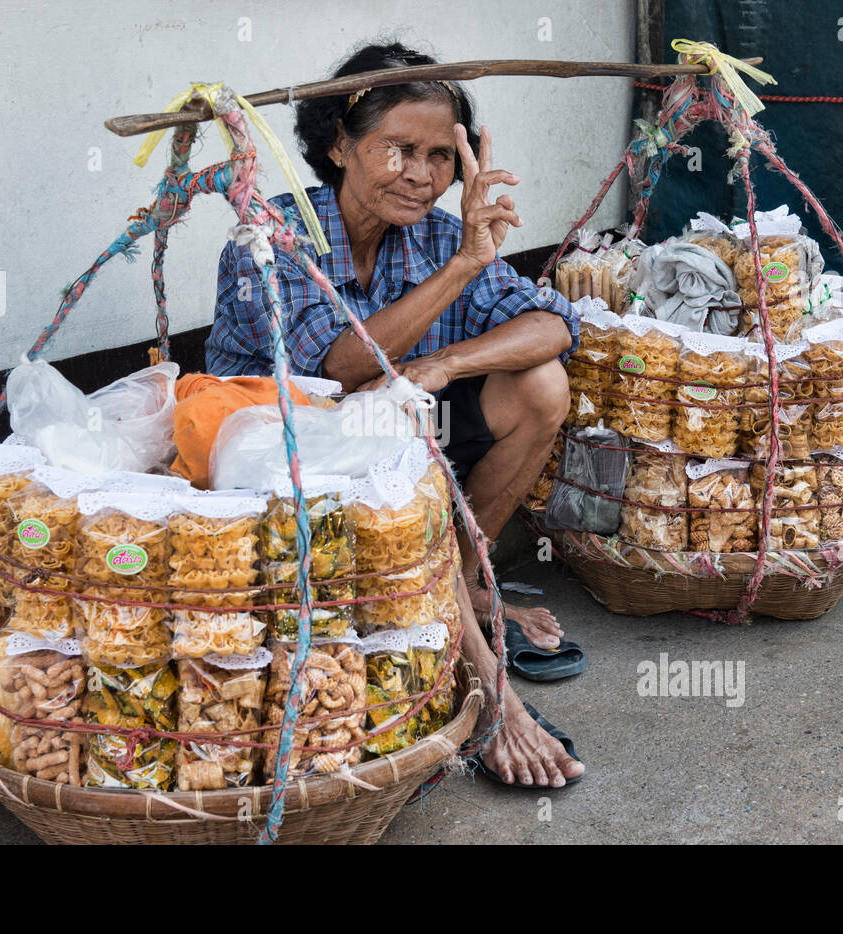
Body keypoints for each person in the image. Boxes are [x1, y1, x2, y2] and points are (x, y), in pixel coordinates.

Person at [207, 42, 584, 787]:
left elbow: (555, 326)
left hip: (392, 437)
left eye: (442, 157)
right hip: (275, 458)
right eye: (399, 150)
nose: (422, 176)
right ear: (341, 145)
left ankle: (465, 581)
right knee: (393, 417)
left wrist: (445, 364)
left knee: (540, 384)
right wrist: (463, 270)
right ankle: (489, 686)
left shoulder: (443, 232)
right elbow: (345, 367)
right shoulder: (274, 237)